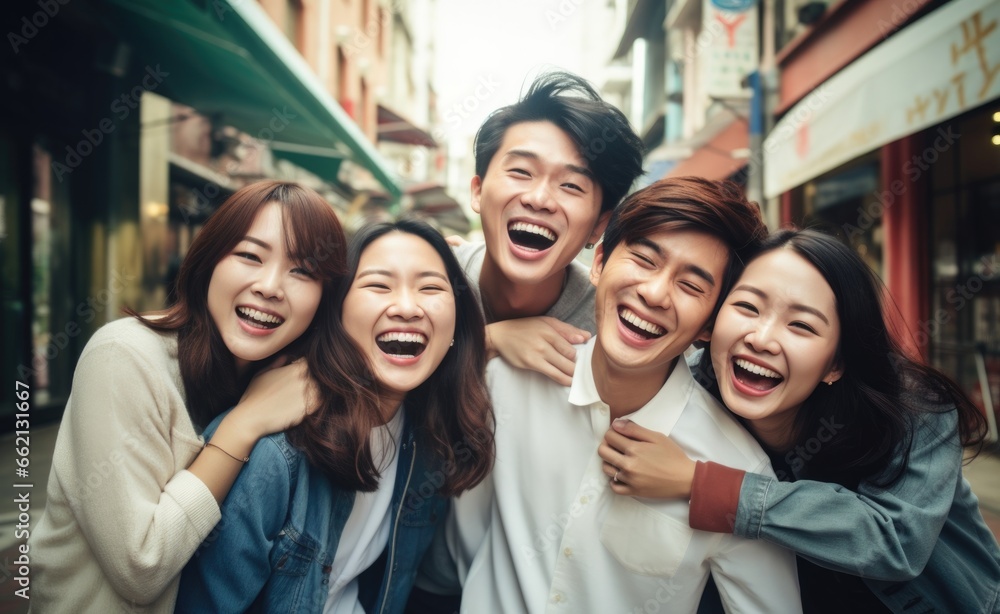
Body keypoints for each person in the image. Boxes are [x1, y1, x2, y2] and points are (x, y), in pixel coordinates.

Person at [443, 177, 800, 613]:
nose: (654, 293)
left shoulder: (737, 470)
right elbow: (465, 541)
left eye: (691, 286)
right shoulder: (505, 383)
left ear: (710, 325)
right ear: (598, 264)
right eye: (644, 260)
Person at [603, 228, 1000, 612]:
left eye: (801, 325)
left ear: (837, 363)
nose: (761, 339)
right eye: (747, 307)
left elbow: (895, 541)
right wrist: (562, 347)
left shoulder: (912, 410)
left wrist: (702, 484)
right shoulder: (689, 389)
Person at [30, 180, 347, 613]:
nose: (270, 286)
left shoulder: (285, 381)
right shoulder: (123, 356)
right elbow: (139, 568)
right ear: (209, 260)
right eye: (250, 256)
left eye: (303, 271)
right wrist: (243, 424)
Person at [175, 219, 495, 613]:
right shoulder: (275, 456)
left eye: (430, 288)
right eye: (379, 285)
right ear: (337, 311)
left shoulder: (429, 438)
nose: (407, 308)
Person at [455, 69, 645, 386]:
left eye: (571, 185)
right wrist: (489, 340)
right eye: (521, 171)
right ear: (478, 191)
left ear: (599, 225)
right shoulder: (429, 279)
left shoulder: (613, 327)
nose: (539, 199)